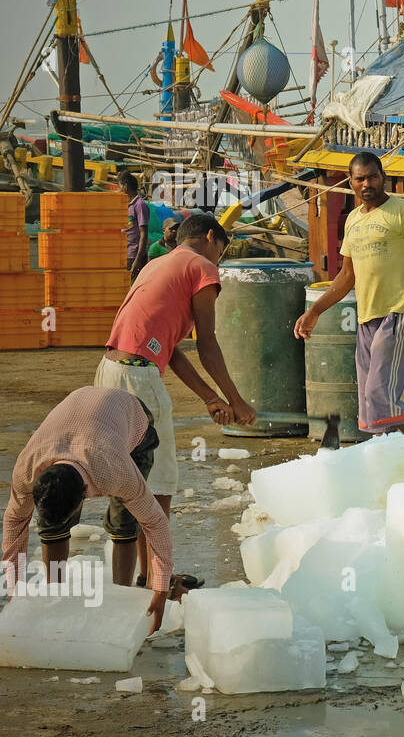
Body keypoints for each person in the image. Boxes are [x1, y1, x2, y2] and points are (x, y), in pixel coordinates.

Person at [97, 211, 257, 588]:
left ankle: (147, 577)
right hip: (139, 377)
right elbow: (207, 342)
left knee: (134, 478)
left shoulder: (157, 264)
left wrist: (211, 398)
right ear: (208, 237)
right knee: (159, 485)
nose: (219, 259)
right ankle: (158, 582)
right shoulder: (201, 267)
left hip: (111, 370)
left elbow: (167, 349)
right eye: (222, 248)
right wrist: (237, 401)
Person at [3, 387, 173, 633]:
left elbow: (155, 522)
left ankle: (120, 599)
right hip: (79, 410)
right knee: (52, 527)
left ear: (84, 495)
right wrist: (14, 591)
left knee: (124, 521)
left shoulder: (116, 471)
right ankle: (55, 596)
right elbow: (14, 526)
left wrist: (160, 591)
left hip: (131, 415)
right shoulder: (27, 468)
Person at [294, 152, 404, 434]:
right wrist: (314, 311)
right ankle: (389, 462)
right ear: (351, 182)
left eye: (372, 176)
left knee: (380, 395)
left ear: (382, 177)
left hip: (398, 312)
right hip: (366, 319)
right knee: (369, 406)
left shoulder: (403, 211)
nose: (367, 183)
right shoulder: (352, 221)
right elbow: (347, 276)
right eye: (360, 179)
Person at [122, 172, 150, 279]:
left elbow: (144, 233)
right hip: (126, 253)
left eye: (119, 186)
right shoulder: (126, 205)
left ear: (125, 186)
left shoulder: (139, 205)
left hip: (134, 255)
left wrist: (137, 260)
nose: (119, 189)